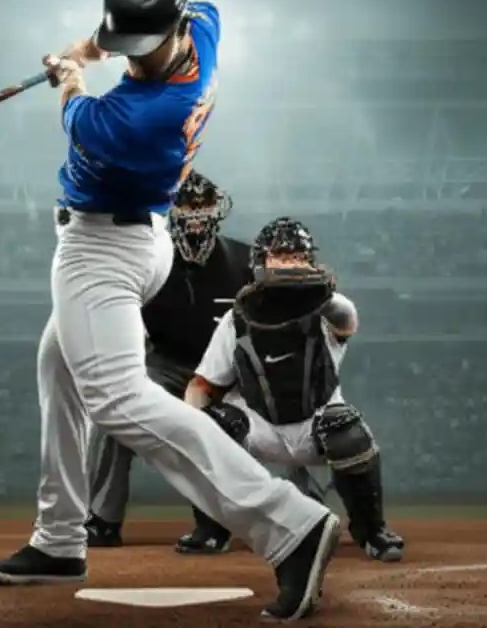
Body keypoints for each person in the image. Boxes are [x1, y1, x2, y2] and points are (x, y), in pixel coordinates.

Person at [0, 0, 340, 621]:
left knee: (117, 399)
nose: (134, 63)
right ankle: (60, 538)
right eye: (126, 50)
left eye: (141, 52)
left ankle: (291, 523)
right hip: (145, 242)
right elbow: (202, 14)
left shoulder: (134, 120)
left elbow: (75, 112)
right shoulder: (200, 28)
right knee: (58, 367)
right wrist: (91, 45)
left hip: (100, 251)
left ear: (169, 33)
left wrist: (71, 72)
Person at [83, 171, 328, 554]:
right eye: (187, 205)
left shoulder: (244, 263)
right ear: (171, 208)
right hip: (166, 364)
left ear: (218, 208)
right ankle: (102, 518)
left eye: (202, 205)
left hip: (231, 370)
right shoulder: (149, 261)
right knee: (117, 406)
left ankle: (306, 508)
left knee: (277, 404)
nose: (196, 214)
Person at [183, 217, 407, 563]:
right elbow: (204, 383)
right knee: (210, 427)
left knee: (346, 428)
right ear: (261, 261)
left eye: (296, 255)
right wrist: (192, 424)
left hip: (315, 424)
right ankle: (212, 529)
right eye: (279, 255)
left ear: (310, 261)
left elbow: (347, 320)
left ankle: (371, 531)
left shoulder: (329, 309)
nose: (288, 261)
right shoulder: (237, 317)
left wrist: (319, 297)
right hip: (257, 425)